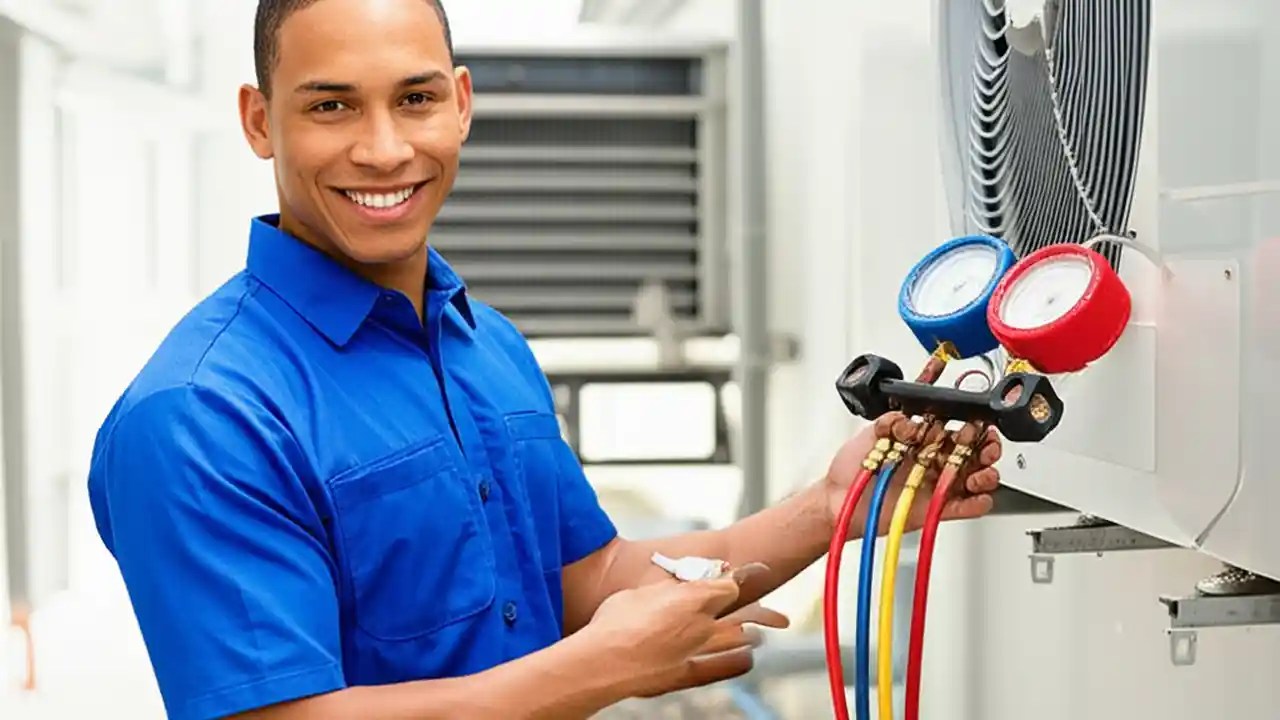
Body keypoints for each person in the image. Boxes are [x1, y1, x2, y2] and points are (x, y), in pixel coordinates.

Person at [85, 0, 1003, 718]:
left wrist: (835, 508)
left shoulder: (487, 348)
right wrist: (599, 671)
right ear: (259, 120)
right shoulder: (201, 413)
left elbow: (581, 580)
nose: (384, 148)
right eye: (331, 105)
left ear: (462, 103)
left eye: (416, 98)